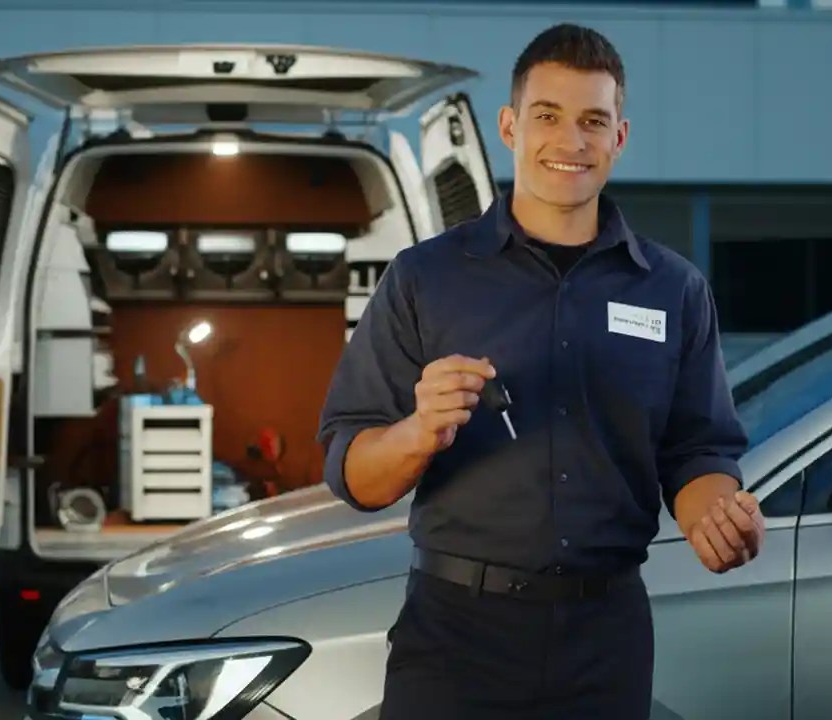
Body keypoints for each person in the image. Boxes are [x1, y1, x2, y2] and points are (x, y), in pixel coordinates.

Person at [316, 22, 765, 720]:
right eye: (547, 116)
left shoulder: (672, 289)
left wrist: (715, 514)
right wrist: (419, 431)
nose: (571, 140)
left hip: (606, 637)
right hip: (454, 637)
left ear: (619, 137)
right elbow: (351, 470)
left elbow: (697, 450)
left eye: (593, 120)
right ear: (509, 126)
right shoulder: (425, 278)